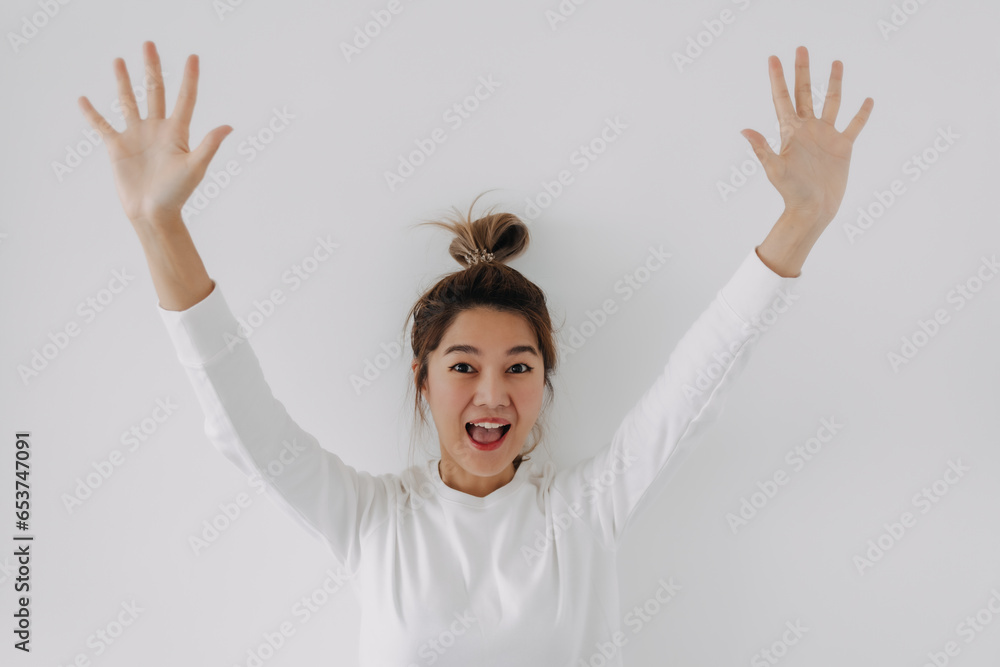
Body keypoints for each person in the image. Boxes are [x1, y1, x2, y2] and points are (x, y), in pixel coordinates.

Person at [78, 41, 873, 665]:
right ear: (422, 380)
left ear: (545, 382)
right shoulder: (372, 522)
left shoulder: (583, 516)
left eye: (518, 367)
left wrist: (801, 221)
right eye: (463, 366)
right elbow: (241, 418)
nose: (491, 394)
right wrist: (160, 226)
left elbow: (702, 375)